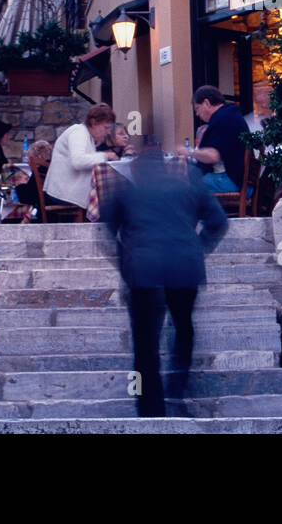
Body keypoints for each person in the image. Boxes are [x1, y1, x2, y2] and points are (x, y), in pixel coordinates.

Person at [100, 148, 228, 417]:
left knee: (145, 341)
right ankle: (177, 390)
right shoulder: (188, 188)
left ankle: (151, 408)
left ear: (136, 170)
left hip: (143, 270)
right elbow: (218, 221)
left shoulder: (126, 192)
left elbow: (106, 233)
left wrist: (126, 262)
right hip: (184, 267)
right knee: (183, 328)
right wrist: (198, 247)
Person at [43, 103, 118, 214]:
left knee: (114, 199)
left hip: (66, 190)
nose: (108, 132)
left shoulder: (86, 135)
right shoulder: (78, 132)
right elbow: (78, 162)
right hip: (63, 194)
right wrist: (105, 155)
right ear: (93, 123)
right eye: (106, 128)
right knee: (114, 200)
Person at [176, 85, 250, 195]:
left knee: (183, 182)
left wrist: (189, 152)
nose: (197, 114)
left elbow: (213, 155)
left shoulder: (222, 119)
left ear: (206, 103)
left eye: (197, 109)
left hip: (232, 181)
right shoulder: (229, 115)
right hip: (241, 181)